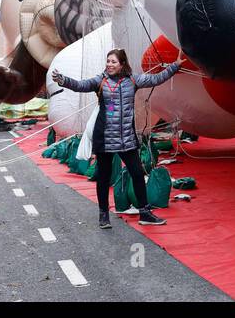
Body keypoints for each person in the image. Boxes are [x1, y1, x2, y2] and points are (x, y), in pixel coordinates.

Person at [52, 48, 181, 228]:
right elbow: (80, 85)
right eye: (108, 61)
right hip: (105, 139)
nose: (109, 65)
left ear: (122, 64)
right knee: (103, 177)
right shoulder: (100, 80)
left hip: (126, 139)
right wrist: (62, 80)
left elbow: (156, 79)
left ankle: (145, 213)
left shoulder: (133, 80)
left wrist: (175, 66)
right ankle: (103, 214)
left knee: (137, 174)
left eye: (113, 62)